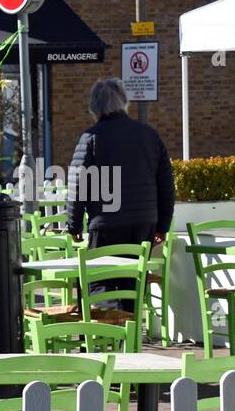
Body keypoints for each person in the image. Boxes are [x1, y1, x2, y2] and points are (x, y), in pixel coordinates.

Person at [67, 77, 175, 314]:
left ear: (94, 106)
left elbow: (78, 184)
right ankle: (131, 337)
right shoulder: (149, 134)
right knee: (133, 283)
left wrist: (73, 224)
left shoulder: (91, 137)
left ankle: (109, 337)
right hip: (144, 223)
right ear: (125, 102)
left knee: (99, 281)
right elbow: (166, 183)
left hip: (107, 224)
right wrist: (162, 226)